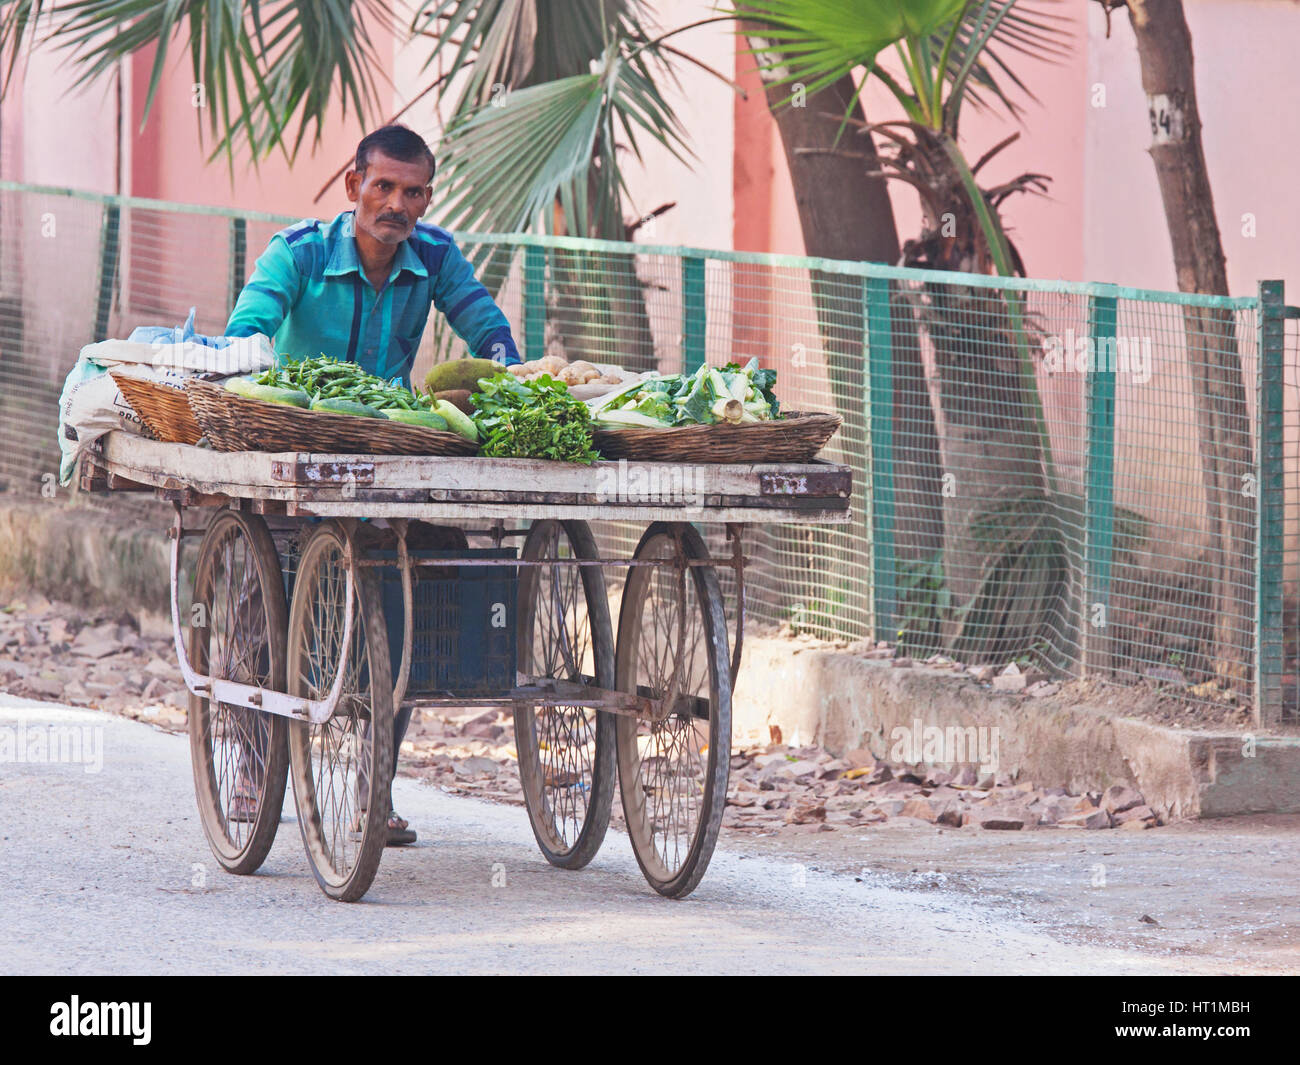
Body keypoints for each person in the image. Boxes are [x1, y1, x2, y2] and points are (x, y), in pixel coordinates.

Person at [225, 124, 520, 845]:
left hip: (390, 456)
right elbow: (250, 325)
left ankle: (375, 783)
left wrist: (513, 372)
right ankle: (254, 762)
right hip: (297, 451)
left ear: (426, 196)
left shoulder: (436, 256)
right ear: (353, 184)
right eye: (382, 186)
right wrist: (251, 358)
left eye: (412, 191)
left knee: (426, 593)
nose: (396, 203)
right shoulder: (297, 252)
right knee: (269, 589)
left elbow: (487, 327)